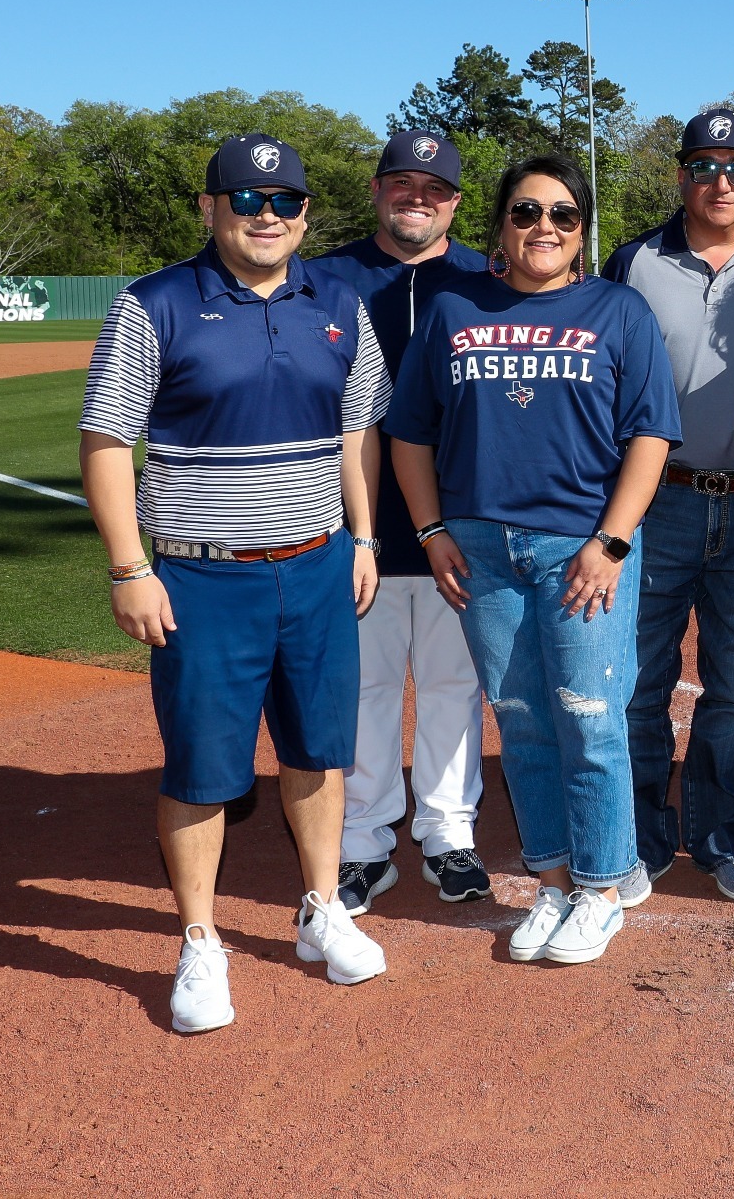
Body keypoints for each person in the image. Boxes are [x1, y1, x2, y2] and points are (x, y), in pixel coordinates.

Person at [79, 133, 390, 1033]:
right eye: (247, 199)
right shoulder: (155, 304)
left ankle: (321, 908)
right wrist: (129, 566)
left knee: (318, 750)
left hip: (319, 565)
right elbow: (106, 441)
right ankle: (201, 940)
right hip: (204, 577)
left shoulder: (339, 302)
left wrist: (363, 535)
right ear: (210, 208)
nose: (266, 215)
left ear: (305, 213)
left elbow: (355, 433)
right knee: (202, 767)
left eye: (284, 201)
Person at [387, 155, 681, 966]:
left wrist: (611, 541)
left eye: (562, 214)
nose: (543, 226)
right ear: (500, 226)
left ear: (582, 232)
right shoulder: (453, 309)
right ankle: (553, 881)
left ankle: (603, 887)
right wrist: (431, 530)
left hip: (581, 547)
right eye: (525, 211)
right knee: (521, 720)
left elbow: (651, 434)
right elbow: (409, 432)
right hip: (481, 548)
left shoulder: (618, 309)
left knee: (589, 717)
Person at [604, 109, 734, 906]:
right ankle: (642, 831)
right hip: (659, 499)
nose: (721, 183)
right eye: (704, 166)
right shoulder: (634, 261)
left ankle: (723, 832)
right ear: (680, 175)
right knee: (638, 680)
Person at [309, 130, 491, 914]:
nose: (417, 198)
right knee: (365, 689)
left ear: (454, 201)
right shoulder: (323, 278)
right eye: (402, 183)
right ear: (378, 189)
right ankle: (363, 843)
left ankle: (449, 835)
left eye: (434, 188)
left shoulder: (489, 277)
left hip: (463, 525)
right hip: (356, 530)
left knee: (455, 685)